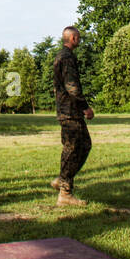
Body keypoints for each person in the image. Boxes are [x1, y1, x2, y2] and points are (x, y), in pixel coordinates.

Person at [51, 25, 94, 206]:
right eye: (79, 37)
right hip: (70, 112)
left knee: (78, 146)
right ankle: (65, 191)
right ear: (73, 38)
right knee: (75, 148)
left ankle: (63, 181)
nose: (80, 40)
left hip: (66, 110)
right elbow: (71, 86)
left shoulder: (61, 56)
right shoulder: (67, 57)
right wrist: (85, 107)